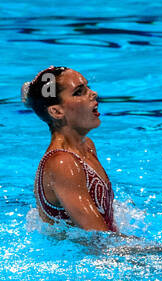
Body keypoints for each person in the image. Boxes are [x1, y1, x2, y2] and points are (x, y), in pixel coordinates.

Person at [23, 66, 118, 233]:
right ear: (56, 111)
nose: (93, 93)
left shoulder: (86, 146)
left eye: (87, 87)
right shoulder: (62, 163)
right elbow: (101, 240)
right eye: (79, 92)